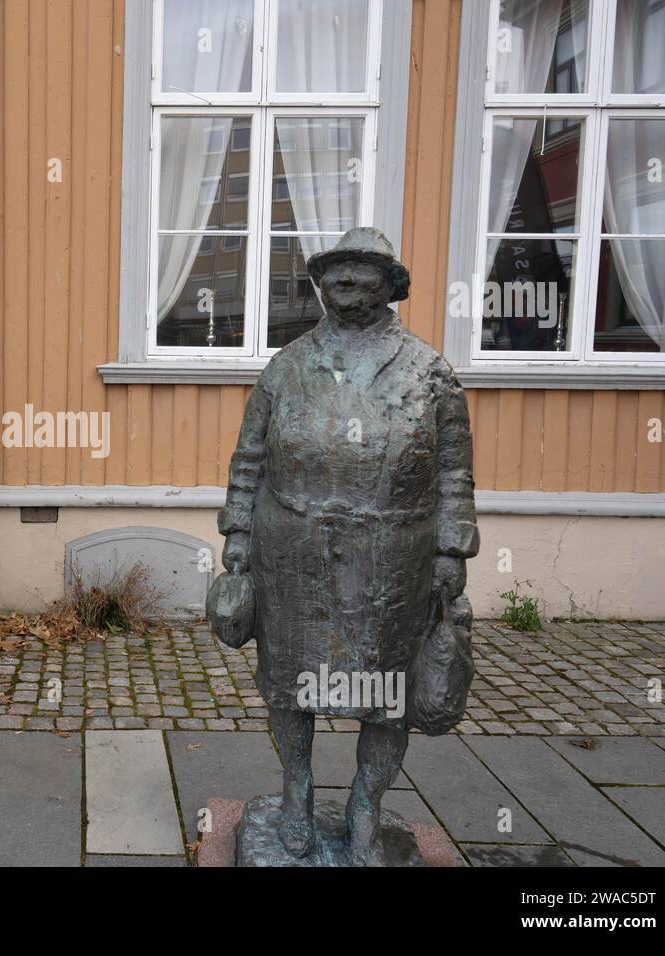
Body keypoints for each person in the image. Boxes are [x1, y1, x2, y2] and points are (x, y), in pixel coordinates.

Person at [216, 227, 479, 865]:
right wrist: (238, 535)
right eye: (336, 272)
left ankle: (367, 804)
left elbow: (454, 469)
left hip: (395, 553)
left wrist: (451, 549)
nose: (348, 282)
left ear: (392, 284)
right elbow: (249, 457)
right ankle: (296, 791)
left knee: (385, 692)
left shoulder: (429, 370)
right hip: (294, 550)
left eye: (364, 272)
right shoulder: (287, 365)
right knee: (290, 683)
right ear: (320, 284)